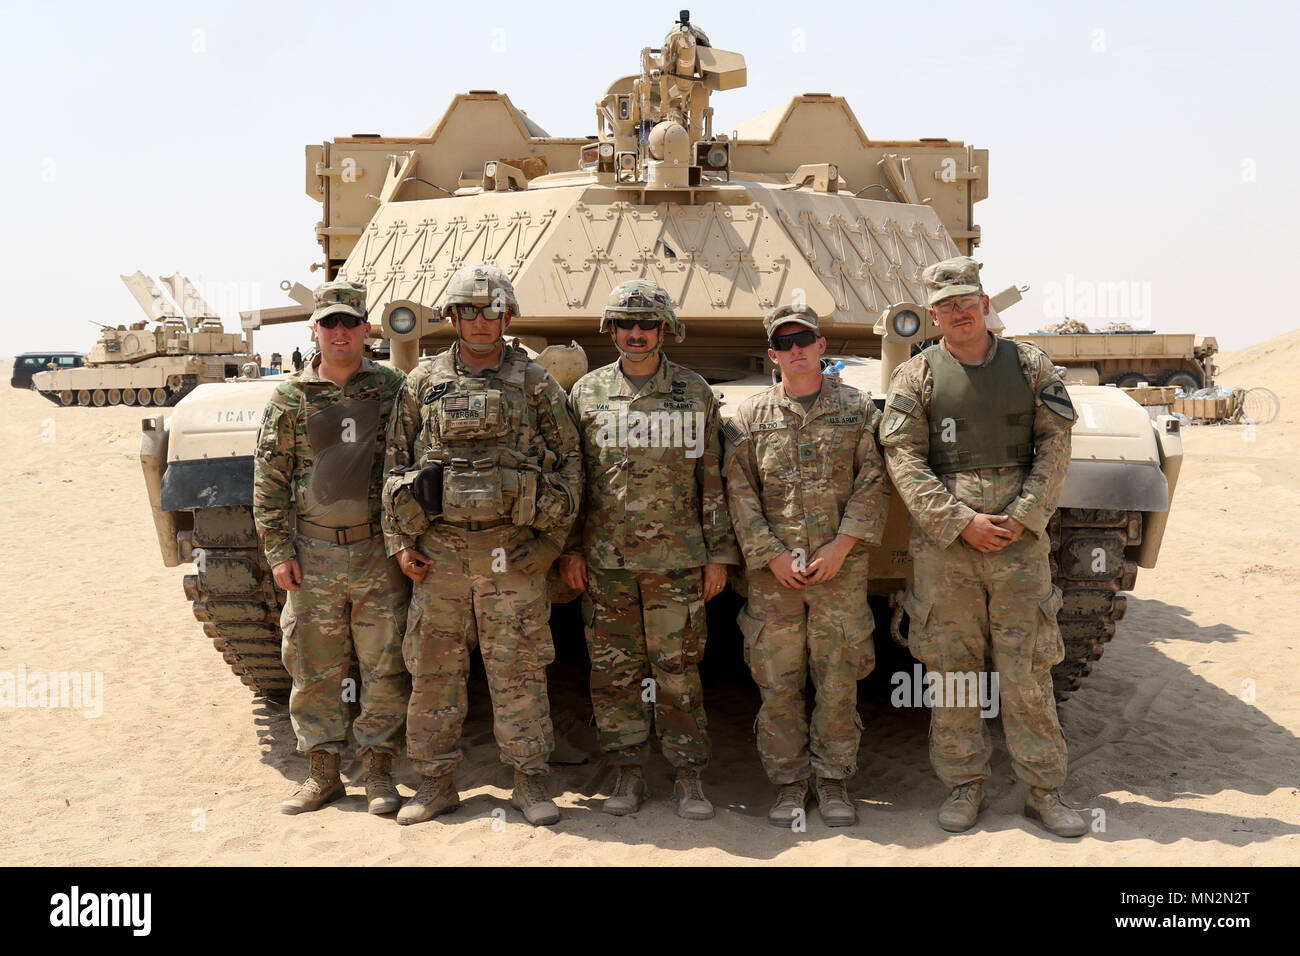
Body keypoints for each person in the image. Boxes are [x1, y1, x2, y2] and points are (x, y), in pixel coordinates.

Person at [879, 256, 1086, 838]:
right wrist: (959, 521)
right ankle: (964, 785)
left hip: (1020, 547)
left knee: (1027, 669)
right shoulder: (917, 376)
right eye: (944, 306)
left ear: (984, 302)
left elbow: (1054, 443)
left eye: (966, 300)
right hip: (948, 550)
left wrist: (1023, 516)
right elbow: (905, 457)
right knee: (953, 670)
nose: (957, 312)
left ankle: (1045, 789)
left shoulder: (1029, 364)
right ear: (933, 315)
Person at [382, 264, 582, 827]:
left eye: (490, 311)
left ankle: (530, 782)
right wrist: (401, 541)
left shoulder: (536, 382)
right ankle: (434, 783)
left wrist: (549, 544)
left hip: (511, 552)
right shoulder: (422, 383)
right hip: (440, 552)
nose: (478, 321)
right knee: (434, 671)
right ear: (451, 318)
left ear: (508, 316)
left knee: (517, 670)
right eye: (466, 311)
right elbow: (395, 464)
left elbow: (571, 465)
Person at [558, 280, 738, 820]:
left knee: (679, 672)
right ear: (610, 329)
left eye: (647, 325)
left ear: (665, 330)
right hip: (606, 562)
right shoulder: (586, 393)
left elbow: (713, 478)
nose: (635, 334)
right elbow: (576, 478)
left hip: (677, 560)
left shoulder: (693, 391)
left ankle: (689, 777)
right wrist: (571, 548)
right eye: (625, 324)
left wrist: (718, 554)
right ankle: (628, 773)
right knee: (614, 674)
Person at [722, 304, 889, 828]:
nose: (796, 350)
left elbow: (874, 480)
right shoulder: (750, 417)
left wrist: (841, 546)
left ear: (821, 345)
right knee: (778, 685)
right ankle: (789, 785)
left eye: (805, 339)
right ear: (772, 354)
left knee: (838, 680)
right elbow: (739, 491)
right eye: (785, 342)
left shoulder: (859, 409)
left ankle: (834, 782)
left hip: (839, 570)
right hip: (775, 578)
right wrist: (769, 554)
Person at [252, 280, 410, 816]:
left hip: (375, 551)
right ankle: (323, 774)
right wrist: (277, 550)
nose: (340, 333)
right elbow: (270, 478)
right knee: (313, 667)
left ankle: (381, 772)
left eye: (350, 323)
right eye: (330, 323)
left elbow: (411, 465)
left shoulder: (393, 389)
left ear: (367, 329)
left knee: (384, 665)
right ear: (314, 330)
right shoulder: (290, 397)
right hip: (312, 552)